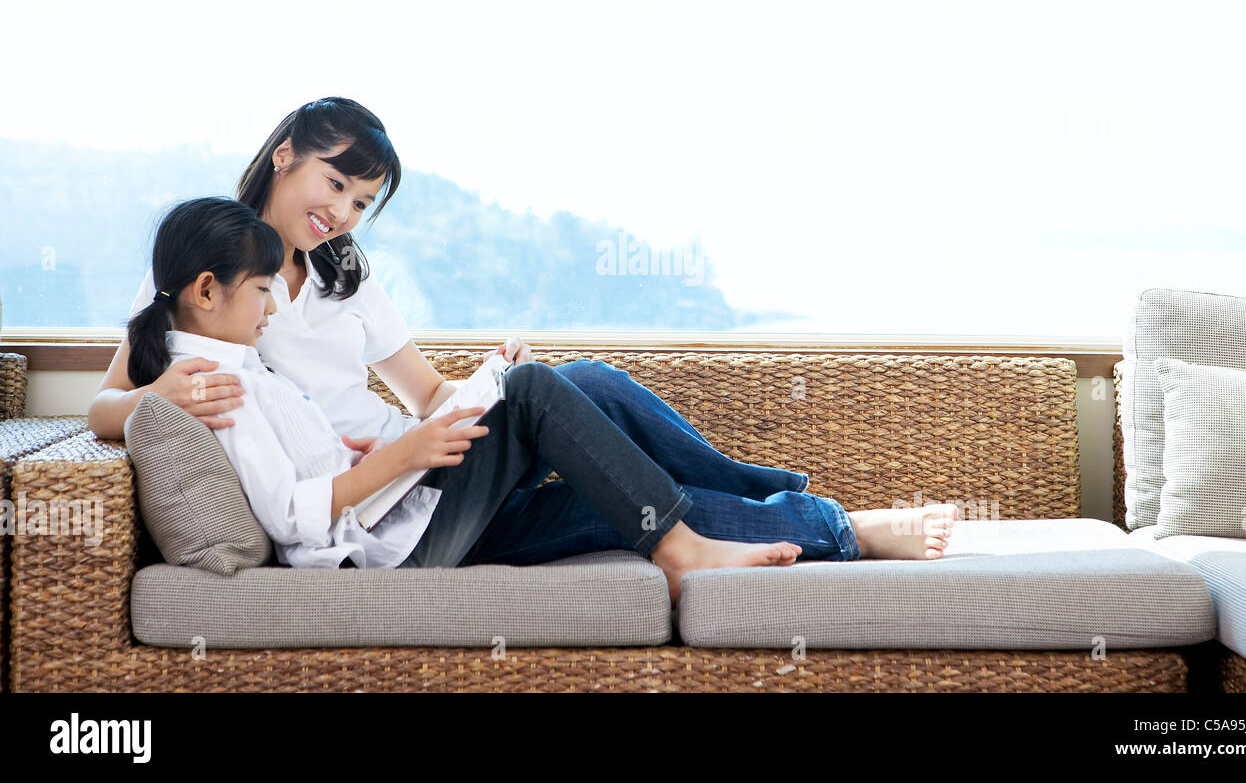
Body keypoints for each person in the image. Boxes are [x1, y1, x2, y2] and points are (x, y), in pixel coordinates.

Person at [92, 98, 958, 600]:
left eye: (361, 202)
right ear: (285, 155)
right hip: (389, 507)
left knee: (581, 388)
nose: (341, 213)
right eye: (334, 183)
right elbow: (109, 405)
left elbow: (424, 396)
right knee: (577, 432)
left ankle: (799, 509)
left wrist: (482, 389)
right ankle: (811, 526)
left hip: (421, 477)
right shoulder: (209, 273)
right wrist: (158, 399)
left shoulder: (346, 273)